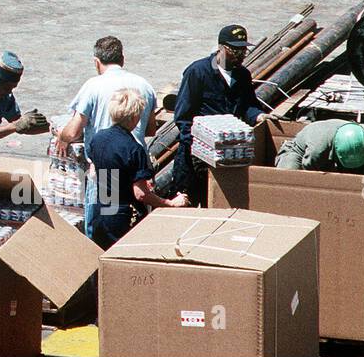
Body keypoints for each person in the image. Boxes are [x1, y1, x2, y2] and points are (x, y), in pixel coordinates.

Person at [55, 37, 159, 238]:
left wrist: (61, 135)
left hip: (106, 172)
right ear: (122, 58)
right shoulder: (144, 85)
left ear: (96, 61)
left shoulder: (93, 86)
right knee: (135, 231)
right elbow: (150, 130)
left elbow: (74, 131)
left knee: (99, 232)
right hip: (138, 170)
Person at [171, 25, 267, 205]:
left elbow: (248, 106)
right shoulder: (198, 72)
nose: (240, 55)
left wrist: (259, 116)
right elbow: (183, 115)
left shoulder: (243, 75)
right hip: (196, 157)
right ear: (221, 48)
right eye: (235, 50)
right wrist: (197, 145)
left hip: (228, 156)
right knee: (192, 204)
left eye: (243, 50)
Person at [86, 88, 188, 249]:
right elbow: (140, 195)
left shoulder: (98, 138)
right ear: (135, 117)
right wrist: (170, 203)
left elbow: (95, 171)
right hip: (121, 216)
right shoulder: (133, 148)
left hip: (100, 211)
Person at [274, 120, 364, 174]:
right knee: (288, 176)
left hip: (332, 155)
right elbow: (309, 176)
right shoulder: (318, 148)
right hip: (300, 154)